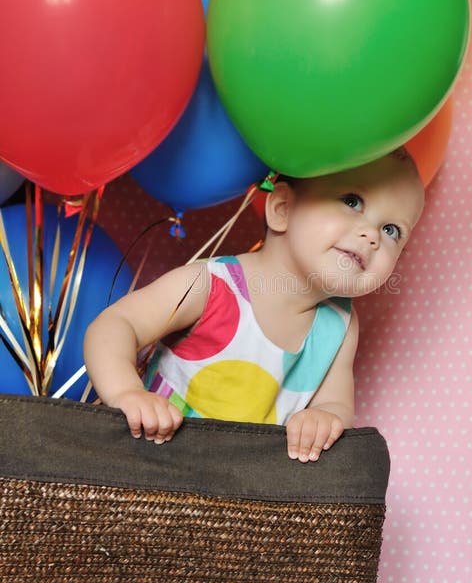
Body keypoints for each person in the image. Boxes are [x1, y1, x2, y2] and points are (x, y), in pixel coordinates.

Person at [84, 149, 425, 462]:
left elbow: (335, 403)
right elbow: (115, 325)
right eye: (352, 201)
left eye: (392, 230)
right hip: (155, 461)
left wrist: (324, 419)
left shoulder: (338, 326)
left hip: (246, 501)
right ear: (282, 209)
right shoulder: (211, 284)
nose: (372, 236)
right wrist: (127, 393)